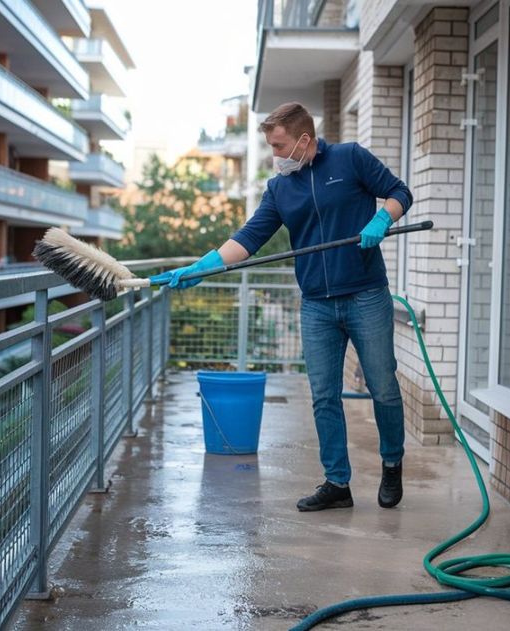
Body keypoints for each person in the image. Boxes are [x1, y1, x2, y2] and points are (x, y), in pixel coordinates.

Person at [152, 102, 413, 512]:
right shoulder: (280, 188)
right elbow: (249, 238)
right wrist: (202, 266)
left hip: (366, 295)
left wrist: (382, 219)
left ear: (303, 140)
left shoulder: (350, 158)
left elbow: (401, 192)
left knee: (383, 387)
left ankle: (392, 462)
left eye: (278, 145)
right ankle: (337, 483)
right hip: (316, 306)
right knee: (324, 395)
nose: (274, 155)